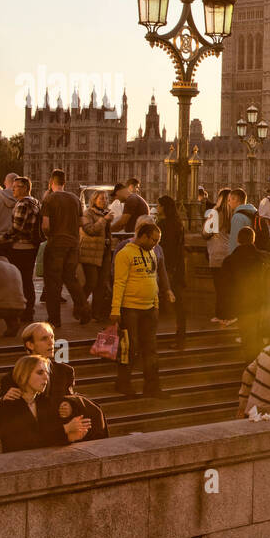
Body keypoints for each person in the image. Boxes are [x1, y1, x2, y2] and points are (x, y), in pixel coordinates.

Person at [0, 355, 92, 453]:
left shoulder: (44, 402)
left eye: (47, 373)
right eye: (40, 372)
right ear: (24, 375)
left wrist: (70, 437)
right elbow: (26, 442)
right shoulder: (10, 403)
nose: (46, 378)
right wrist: (66, 428)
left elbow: (49, 437)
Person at [111, 222, 163, 397]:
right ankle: (123, 383)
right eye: (153, 240)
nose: (155, 244)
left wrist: (156, 304)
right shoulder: (124, 254)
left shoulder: (152, 254)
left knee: (151, 349)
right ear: (143, 236)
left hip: (149, 308)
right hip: (129, 308)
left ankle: (152, 387)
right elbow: (119, 282)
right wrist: (115, 310)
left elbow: (154, 279)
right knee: (130, 348)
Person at [220, 226, 270, 361]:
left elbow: (225, 288)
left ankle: (251, 366)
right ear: (253, 240)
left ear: (238, 240)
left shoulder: (230, 261)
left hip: (242, 305)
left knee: (247, 337)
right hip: (262, 304)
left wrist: (224, 313)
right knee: (259, 337)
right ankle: (259, 365)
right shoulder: (263, 258)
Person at [40, 169, 89, 327]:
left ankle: (54, 319)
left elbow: (46, 225)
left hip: (56, 244)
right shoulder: (75, 198)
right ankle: (84, 311)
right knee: (71, 279)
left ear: (51, 182)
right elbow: (82, 222)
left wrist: (49, 235)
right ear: (64, 183)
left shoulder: (49, 199)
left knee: (53, 283)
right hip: (73, 244)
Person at [7, 176, 42, 323]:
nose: (13, 189)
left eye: (16, 186)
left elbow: (16, 228)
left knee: (20, 280)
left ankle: (24, 311)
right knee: (28, 280)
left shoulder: (22, 203)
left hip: (21, 246)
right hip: (32, 246)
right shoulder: (35, 202)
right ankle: (29, 310)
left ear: (25, 188)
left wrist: (2, 237)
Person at [156, 195, 188, 351]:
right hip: (178, 268)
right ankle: (180, 337)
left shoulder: (162, 225)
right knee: (180, 305)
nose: (157, 208)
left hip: (167, 268)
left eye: (158, 205)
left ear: (164, 207)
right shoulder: (178, 223)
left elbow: (163, 249)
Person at [79, 189, 115, 321]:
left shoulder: (106, 214)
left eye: (106, 199)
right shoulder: (87, 213)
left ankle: (96, 313)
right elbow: (90, 230)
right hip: (90, 252)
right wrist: (104, 220)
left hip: (104, 252)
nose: (104, 201)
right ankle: (81, 308)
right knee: (91, 282)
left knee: (101, 284)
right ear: (94, 200)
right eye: (101, 199)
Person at [205, 188, 233, 322]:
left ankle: (221, 315)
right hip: (229, 252)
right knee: (227, 287)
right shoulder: (233, 213)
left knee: (219, 287)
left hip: (217, 252)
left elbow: (205, 233)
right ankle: (228, 315)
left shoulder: (215, 213)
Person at [0, 252, 26, 337]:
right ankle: (13, 323)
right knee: (7, 297)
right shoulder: (14, 267)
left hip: (0, 307)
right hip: (20, 307)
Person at [226, 189, 258, 254]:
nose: (228, 203)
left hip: (240, 257)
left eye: (229, 200)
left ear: (235, 199)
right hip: (251, 254)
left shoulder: (237, 217)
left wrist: (231, 257)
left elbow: (234, 242)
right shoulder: (253, 213)